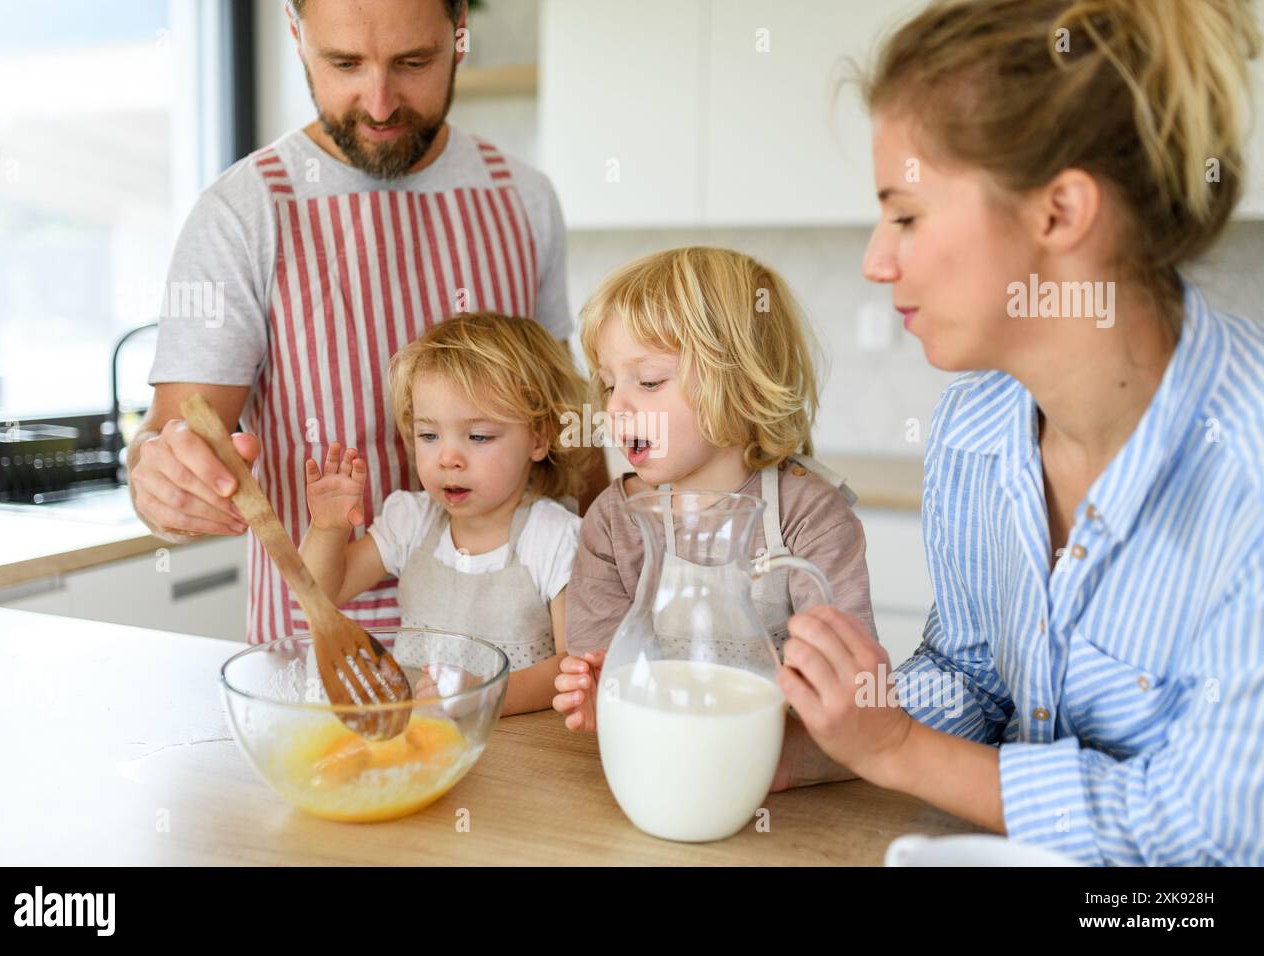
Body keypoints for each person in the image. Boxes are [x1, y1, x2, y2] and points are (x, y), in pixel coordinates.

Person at [781, 0, 1264, 865]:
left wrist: (898, 750)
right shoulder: (976, 424)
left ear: (1059, 212)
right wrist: (814, 743)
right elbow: (970, 674)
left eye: (907, 213)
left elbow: (1210, 830)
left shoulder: (1247, 471)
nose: (876, 260)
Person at [128, 0, 602, 643]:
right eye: (344, 63)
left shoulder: (522, 197)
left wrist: (618, 563)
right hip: (320, 644)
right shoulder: (240, 213)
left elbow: (567, 421)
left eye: (414, 62)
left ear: (458, 28)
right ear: (296, 35)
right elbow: (176, 430)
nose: (379, 103)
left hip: (516, 647)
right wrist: (162, 479)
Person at [553, 246, 875, 792]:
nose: (615, 407)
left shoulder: (808, 515)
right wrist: (596, 691)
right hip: (660, 770)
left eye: (649, 382)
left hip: (780, 777)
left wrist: (769, 755)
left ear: (742, 381)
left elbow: (854, 697)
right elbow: (604, 666)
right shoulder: (613, 522)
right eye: (609, 384)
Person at [299, 313, 586, 715]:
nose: (448, 458)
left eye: (479, 436)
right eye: (429, 435)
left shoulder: (555, 539)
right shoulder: (411, 522)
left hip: (519, 752)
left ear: (538, 437)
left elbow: (572, 668)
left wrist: (482, 694)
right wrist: (327, 529)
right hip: (422, 743)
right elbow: (320, 593)